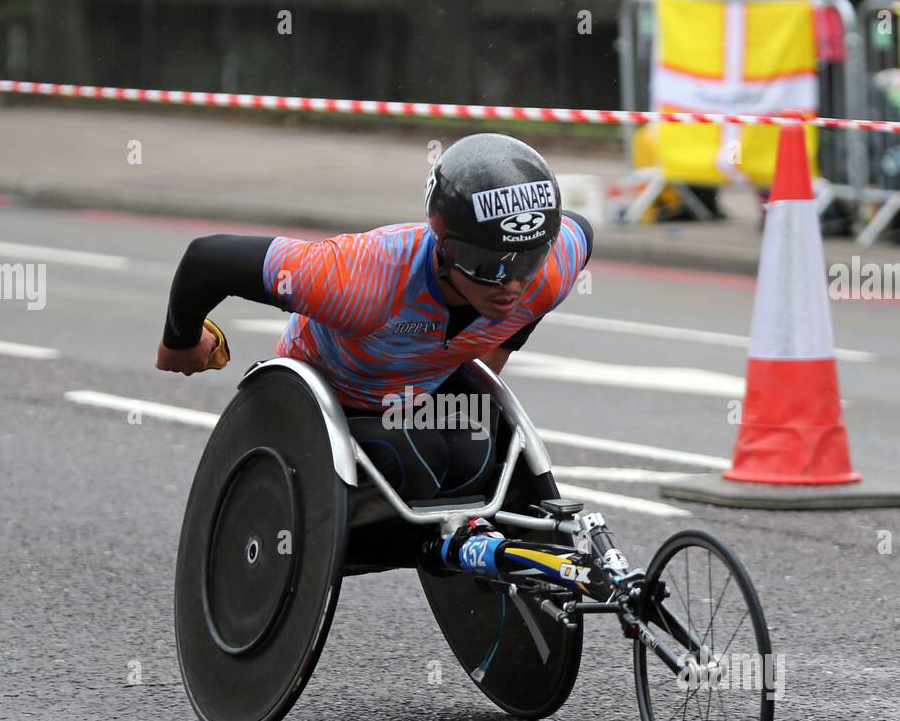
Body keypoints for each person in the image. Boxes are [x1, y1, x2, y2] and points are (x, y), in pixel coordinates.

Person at [155, 133, 594, 501]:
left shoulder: (547, 270)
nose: (512, 286)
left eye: (526, 262)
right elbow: (206, 260)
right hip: (324, 404)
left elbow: (581, 233)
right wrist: (181, 343)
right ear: (445, 246)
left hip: (420, 397)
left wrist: (501, 344)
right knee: (419, 463)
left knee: (481, 458)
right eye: (488, 265)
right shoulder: (363, 279)